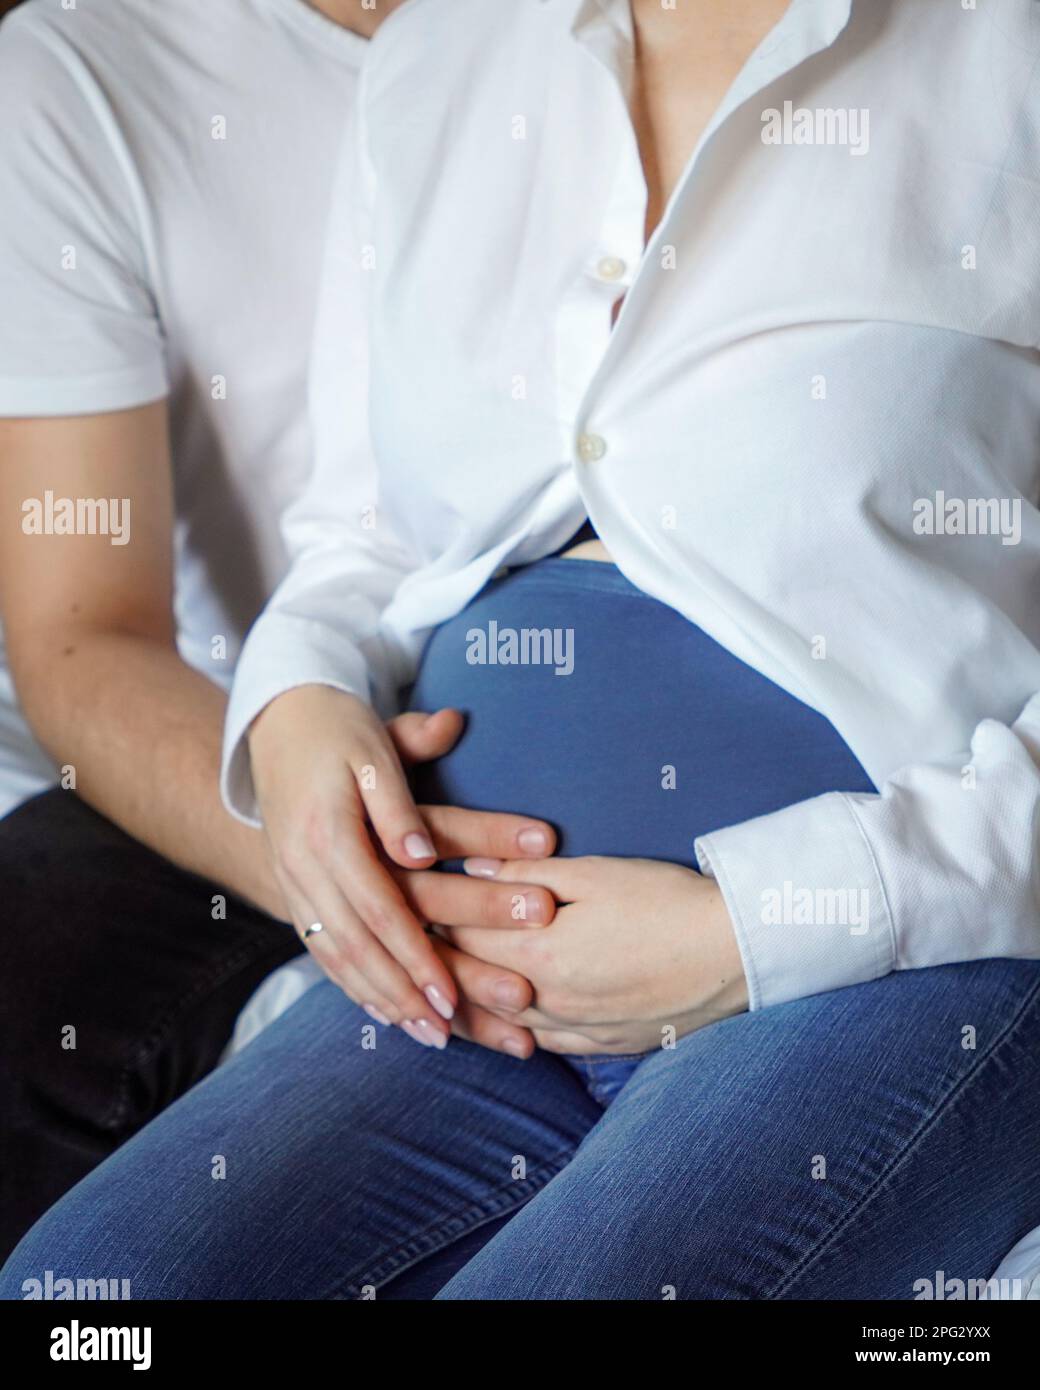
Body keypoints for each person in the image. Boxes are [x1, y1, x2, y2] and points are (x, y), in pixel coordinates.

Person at [4, 0, 1040, 1300]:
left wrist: (749, 924)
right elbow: (365, 534)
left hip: (881, 955)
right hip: (465, 978)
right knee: (83, 1297)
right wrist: (299, 697)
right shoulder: (448, 56)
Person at [0, 0, 558, 1261]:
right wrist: (349, 870)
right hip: (235, 754)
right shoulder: (77, 73)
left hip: (549, 718)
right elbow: (84, 633)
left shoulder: (612, 35)